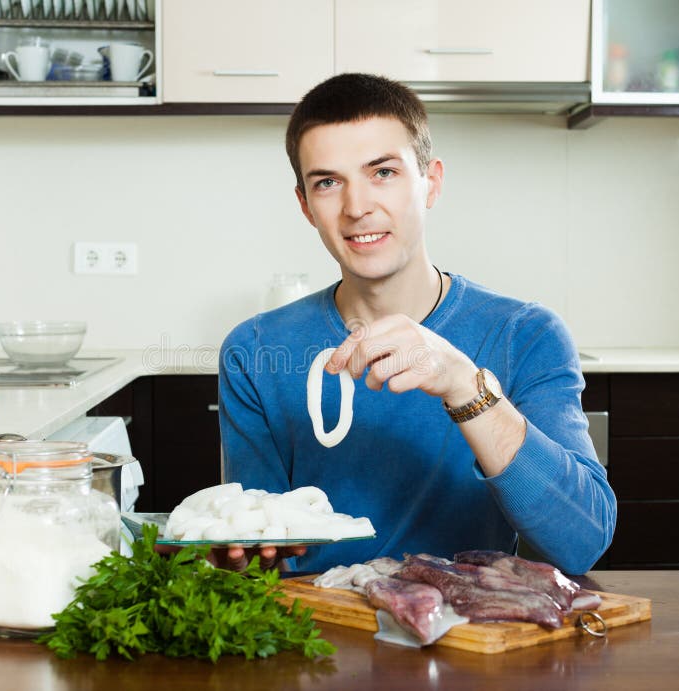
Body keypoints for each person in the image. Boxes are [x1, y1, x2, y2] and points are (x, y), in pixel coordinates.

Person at [218, 73, 616, 575]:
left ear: (431, 182)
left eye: (382, 172)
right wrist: (230, 544)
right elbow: (255, 558)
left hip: (466, 638)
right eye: (327, 182)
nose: (357, 207)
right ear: (305, 206)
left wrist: (463, 386)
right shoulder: (254, 350)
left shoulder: (525, 335)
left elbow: (583, 541)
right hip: (315, 635)